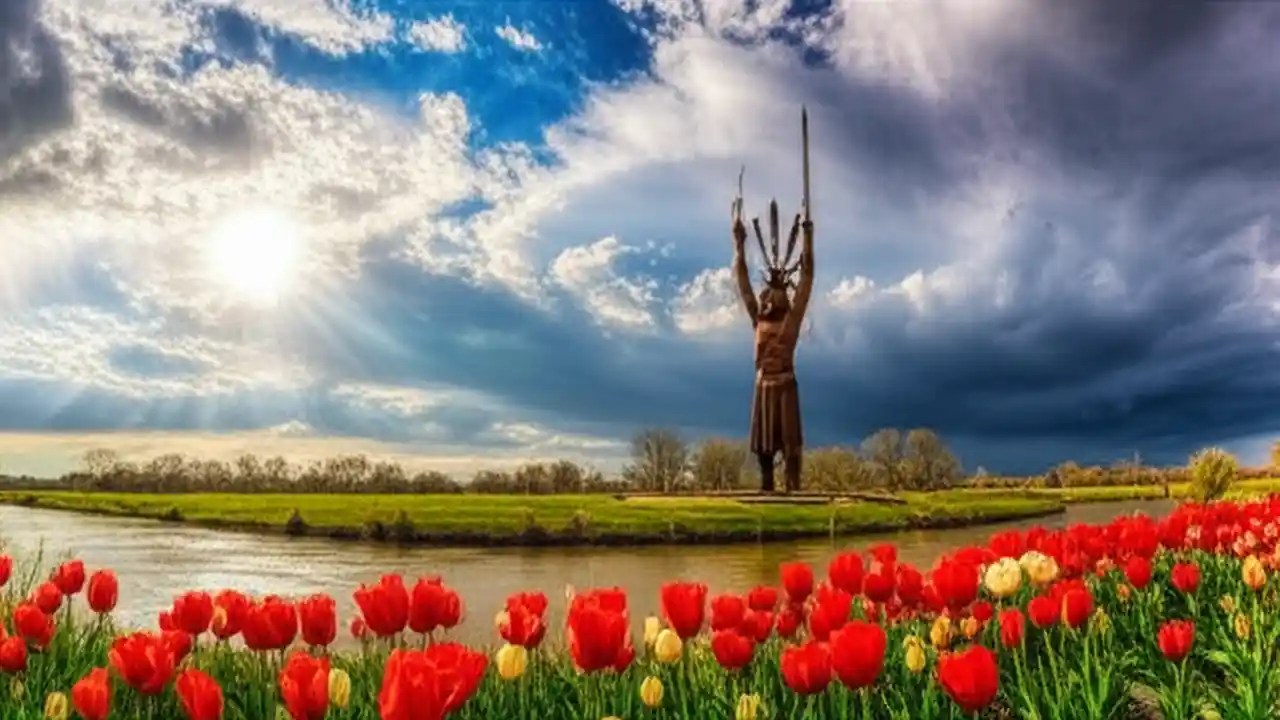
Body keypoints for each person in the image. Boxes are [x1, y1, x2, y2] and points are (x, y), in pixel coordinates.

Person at [731, 208, 814, 493]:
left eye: (775, 294)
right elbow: (742, 284)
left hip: (785, 385)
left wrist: (808, 238)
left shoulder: (791, 321)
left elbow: (806, 281)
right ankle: (767, 487)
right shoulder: (759, 320)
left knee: (791, 445)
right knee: (763, 448)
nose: (768, 298)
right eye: (767, 293)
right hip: (763, 385)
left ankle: (794, 486)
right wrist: (739, 246)